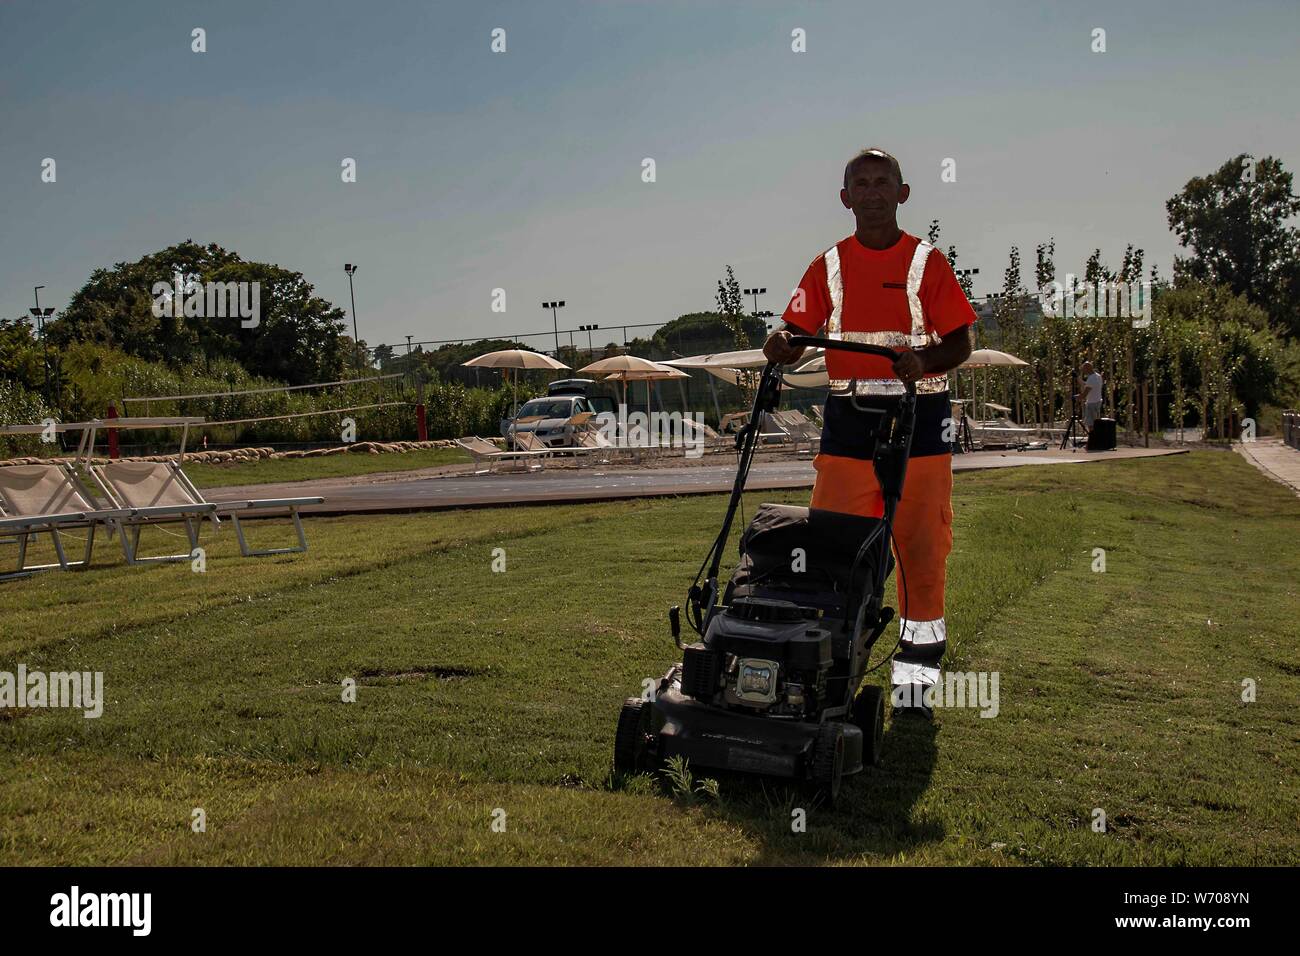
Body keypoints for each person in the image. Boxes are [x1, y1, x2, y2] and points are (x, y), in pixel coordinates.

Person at [763, 147, 976, 719]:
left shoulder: (930, 264)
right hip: (849, 433)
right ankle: (826, 680)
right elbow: (792, 331)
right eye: (863, 183)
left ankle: (912, 692)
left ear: (903, 193)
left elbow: (962, 342)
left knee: (921, 557)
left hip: (921, 432)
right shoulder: (825, 266)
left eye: (884, 182)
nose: (874, 191)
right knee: (833, 554)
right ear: (845, 197)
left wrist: (926, 361)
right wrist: (779, 344)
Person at [1080, 362, 1103, 431]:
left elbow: (1084, 395)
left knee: (1091, 425)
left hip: (1091, 403)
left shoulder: (1091, 378)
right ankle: (1096, 439)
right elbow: (1089, 386)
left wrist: (1076, 397)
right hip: (1098, 401)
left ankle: (1093, 440)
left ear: (1088, 368)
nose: (1083, 372)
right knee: (1096, 423)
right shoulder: (1098, 376)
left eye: (1084, 369)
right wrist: (1079, 380)